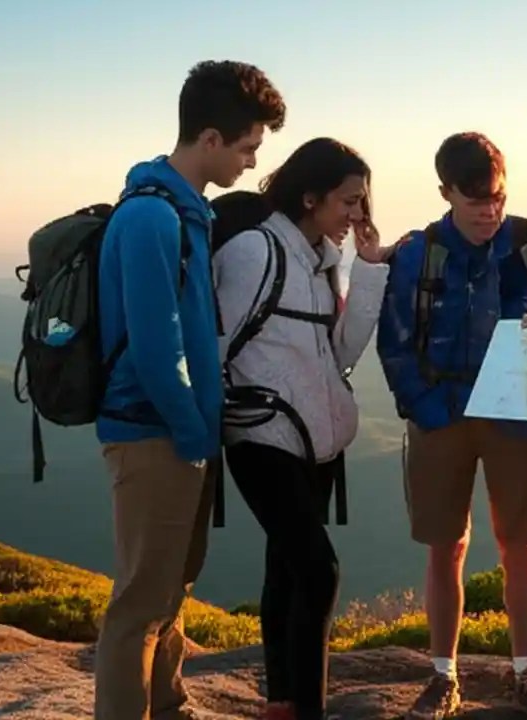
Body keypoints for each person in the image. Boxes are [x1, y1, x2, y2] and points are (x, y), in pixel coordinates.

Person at [93, 60, 287, 720]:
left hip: (180, 432)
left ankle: (168, 705)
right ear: (210, 139)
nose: (251, 160)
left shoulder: (186, 212)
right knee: (141, 603)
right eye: (247, 146)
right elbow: (155, 349)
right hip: (154, 432)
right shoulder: (153, 219)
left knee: (170, 591)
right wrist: (191, 430)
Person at [375, 131, 527, 720]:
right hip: (443, 413)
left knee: (520, 546)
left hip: (519, 415)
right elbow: (395, 342)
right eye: (476, 200)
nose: (490, 211)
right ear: (446, 193)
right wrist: (425, 409)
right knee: (445, 547)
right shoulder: (416, 254)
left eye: (498, 198)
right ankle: (443, 676)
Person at [213, 138, 390, 720]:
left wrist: (367, 270)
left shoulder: (321, 261)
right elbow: (214, 340)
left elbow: (340, 350)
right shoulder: (254, 252)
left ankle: (282, 703)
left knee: (287, 569)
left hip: (311, 438)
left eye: (362, 202)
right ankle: (304, 709)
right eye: (349, 201)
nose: (358, 215)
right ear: (310, 196)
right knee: (319, 570)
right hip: (260, 433)